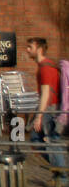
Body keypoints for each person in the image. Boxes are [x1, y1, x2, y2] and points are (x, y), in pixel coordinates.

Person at [26, 38, 67, 170]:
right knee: (38, 139)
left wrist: (39, 116)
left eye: (30, 47)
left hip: (50, 108)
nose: (27, 50)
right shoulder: (46, 65)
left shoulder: (46, 68)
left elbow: (46, 94)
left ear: (39, 49)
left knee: (50, 140)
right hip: (49, 107)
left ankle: (62, 173)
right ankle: (59, 169)